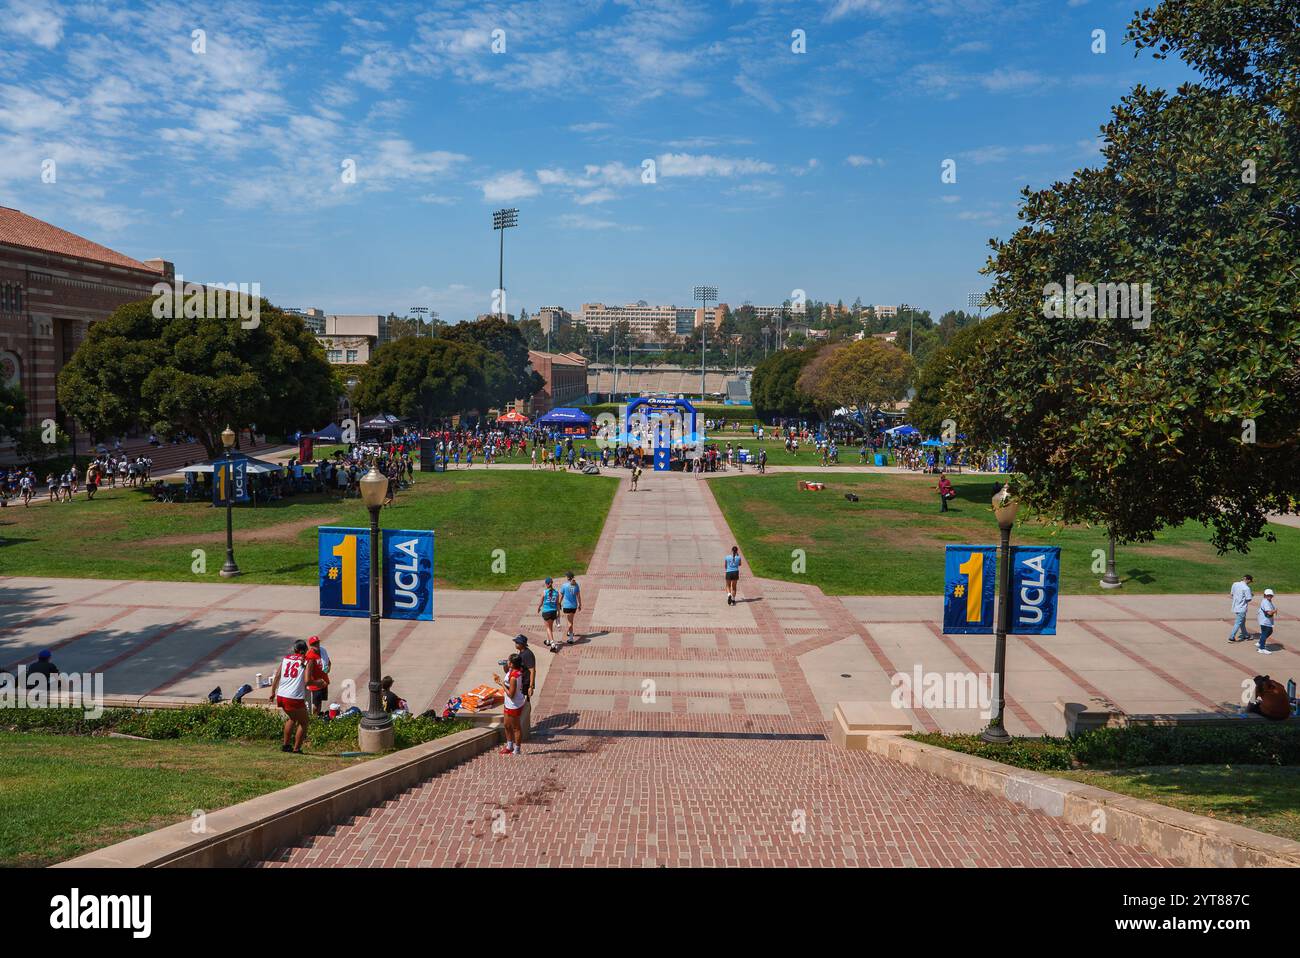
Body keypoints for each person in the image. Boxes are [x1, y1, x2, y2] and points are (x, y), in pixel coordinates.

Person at [269, 639, 320, 753]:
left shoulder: (286, 658)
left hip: (281, 695)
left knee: (292, 718)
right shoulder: (307, 661)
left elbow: (277, 675)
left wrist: (273, 692)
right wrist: (319, 683)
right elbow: (308, 681)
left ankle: (286, 746)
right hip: (294, 697)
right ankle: (296, 749)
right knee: (304, 722)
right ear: (306, 650)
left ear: (294, 649)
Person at [495, 653, 526, 755]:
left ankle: (517, 749)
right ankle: (509, 746)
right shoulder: (512, 670)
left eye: (508, 661)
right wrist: (505, 665)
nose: (507, 662)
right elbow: (506, 670)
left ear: (512, 664)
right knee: (507, 725)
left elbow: (511, 694)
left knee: (516, 728)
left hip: (514, 704)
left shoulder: (514, 677)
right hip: (508, 703)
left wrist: (501, 684)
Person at [305, 635, 331, 715]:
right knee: (315, 705)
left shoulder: (323, 651)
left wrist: (328, 668)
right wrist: (316, 682)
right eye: (314, 644)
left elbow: (329, 662)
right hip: (315, 685)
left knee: (319, 702)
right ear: (311, 646)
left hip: (323, 682)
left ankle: (317, 718)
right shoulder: (310, 656)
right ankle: (315, 721)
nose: (316, 645)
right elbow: (307, 672)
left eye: (317, 643)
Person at [1228, 574, 1254, 643]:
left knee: (1242, 622)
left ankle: (1245, 635)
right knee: (1238, 623)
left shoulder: (1235, 584)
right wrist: (1251, 595)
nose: (1249, 583)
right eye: (1250, 581)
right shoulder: (1246, 588)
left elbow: (1232, 594)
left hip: (1235, 606)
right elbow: (1249, 599)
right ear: (1248, 580)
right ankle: (1231, 637)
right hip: (1242, 608)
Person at [560, 571, 582, 644]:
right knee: (571, 621)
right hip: (574, 606)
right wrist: (580, 604)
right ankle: (570, 633)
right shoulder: (576, 585)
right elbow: (578, 596)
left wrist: (559, 603)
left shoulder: (564, 585)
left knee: (569, 623)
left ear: (568, 577)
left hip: (566, 606)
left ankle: (571, 638)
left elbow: (562, 595)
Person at [539, 576, 561, 649]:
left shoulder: (545, 592)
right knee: (550, 627)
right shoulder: (556, 592)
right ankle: (548, 641)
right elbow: (558, 604)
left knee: (548, 628)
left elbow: (541, 602)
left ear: (547, 584)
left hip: (546, 612)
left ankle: (552, 643)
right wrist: (558, 612)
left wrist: (538, 608)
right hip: (553, 612)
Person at [513, 634, 536, 702]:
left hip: (526, 683)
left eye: (517, 642)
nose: (515, 644)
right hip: (522, 681)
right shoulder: (522, 652)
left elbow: (532, 671)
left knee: (525, 702)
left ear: (521, 644)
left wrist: (531, 687)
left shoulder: (528, 655)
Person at [1257, 588, 1277, 654]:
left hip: (1266, 620)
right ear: (1264, 595)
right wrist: (1274, 611)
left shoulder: (1268, 601)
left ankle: (1260, 643)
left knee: (1269, 631)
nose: (1269, 596)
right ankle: (1261, 648)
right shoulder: (1265, 602)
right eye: (1268, 595)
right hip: (1265, 620)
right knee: (1265, 633)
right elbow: (1269, 613)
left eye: (1271, 595)